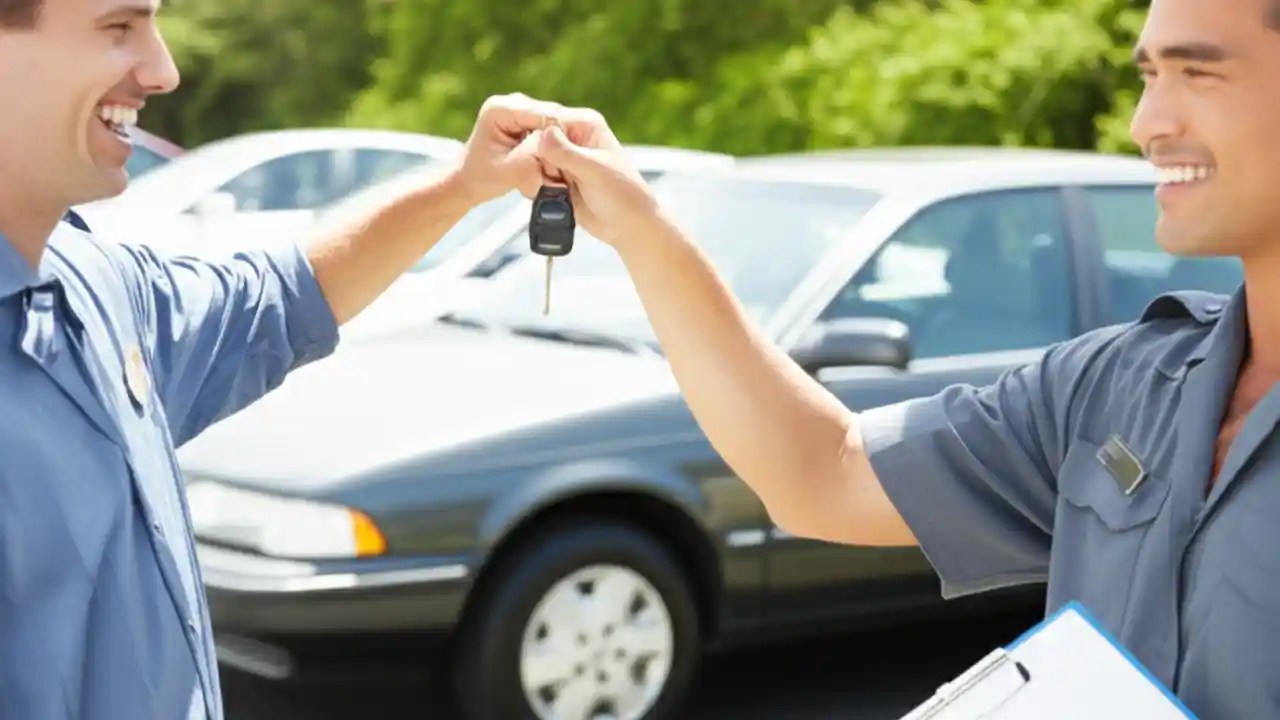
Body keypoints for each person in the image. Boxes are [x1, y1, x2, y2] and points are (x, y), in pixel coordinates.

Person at [523, 0, 1280, 717]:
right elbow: (823, 471)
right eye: (1149, 75)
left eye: (1198, 73)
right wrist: (642, 230)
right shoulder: (1113, 387)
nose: (1148, 123)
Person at [0, 0, 584, 717]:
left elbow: (284, 296)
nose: (163, 71)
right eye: (119, 28)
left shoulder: (95, 283)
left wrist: (465, 185)